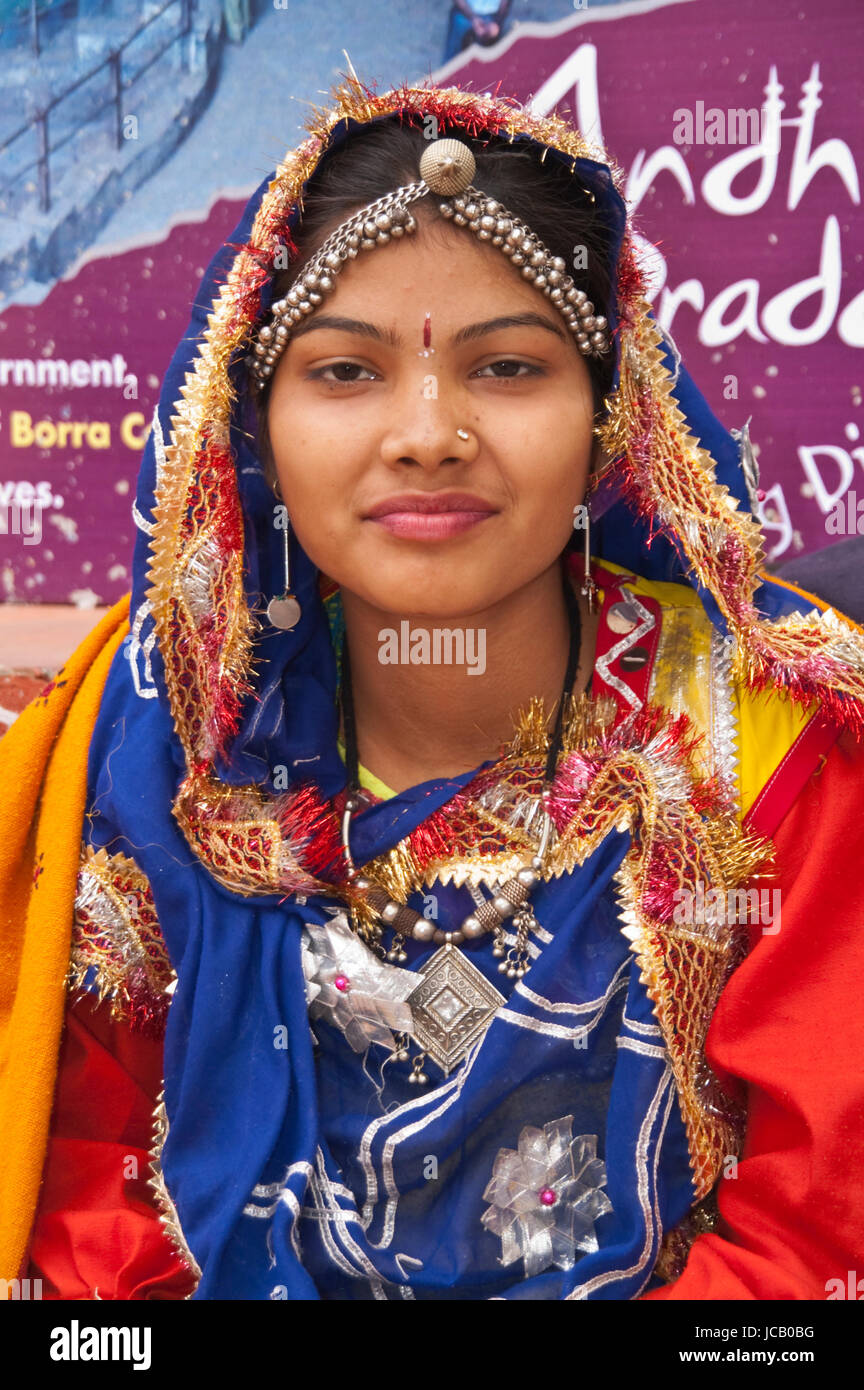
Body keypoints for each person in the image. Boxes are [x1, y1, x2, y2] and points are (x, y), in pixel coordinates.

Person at [2, 70, 864, 1302]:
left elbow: (815, 1237)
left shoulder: (773, 738)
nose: (428, 432)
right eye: (346, 373)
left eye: (507, 369)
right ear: (252, 423)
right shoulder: (162, 742)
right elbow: (94, 1226)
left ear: (610, 415)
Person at [443, 0, 513, 64]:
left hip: (493, 15)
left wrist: (497, 23)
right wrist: (473, 18)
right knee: (451, 63)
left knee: (490, 61)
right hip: (463, 13)